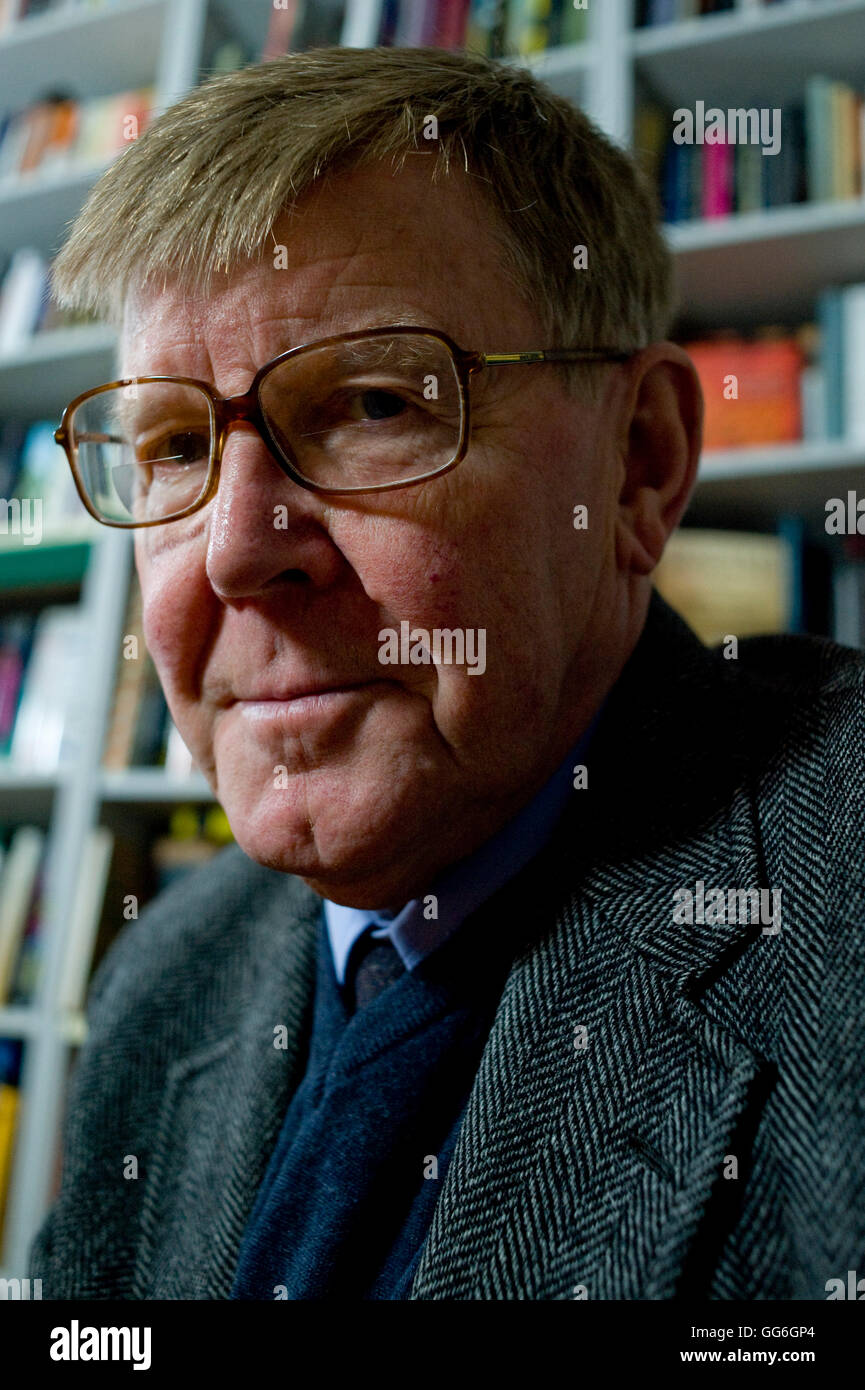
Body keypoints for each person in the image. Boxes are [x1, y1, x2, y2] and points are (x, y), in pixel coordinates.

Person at [30, 47, 864, 1301]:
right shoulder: (159, 973)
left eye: (372, 403)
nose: (238, 550)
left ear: (635, 467)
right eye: (175, 442)